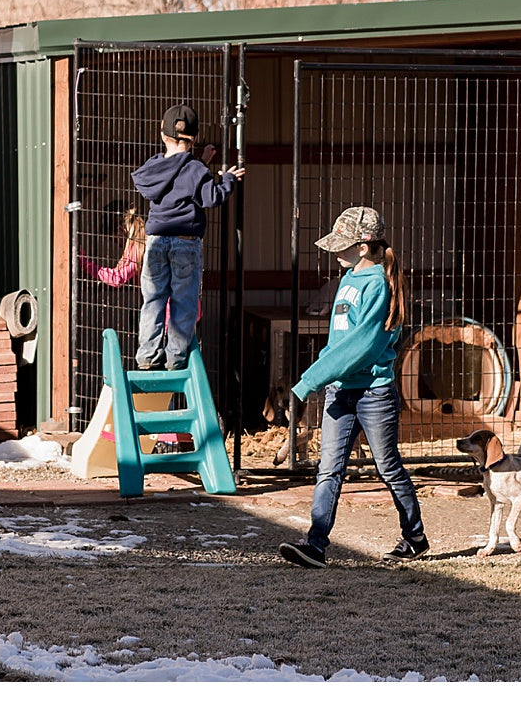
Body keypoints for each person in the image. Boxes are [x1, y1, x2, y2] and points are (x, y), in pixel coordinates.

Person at [278, 206, 428, 568]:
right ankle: (315, 545)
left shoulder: (377, 283)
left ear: (363, 246)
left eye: (341, 245)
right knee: (328, 467)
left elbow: (361, 345)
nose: (334, 251)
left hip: (374, 393)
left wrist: (310, 379)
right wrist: (323, 377)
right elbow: (337, 342)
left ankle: (415, 537)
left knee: (388, 467)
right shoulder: (347, 280)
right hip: (340, 392)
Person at [131, 103, 244, 371]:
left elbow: (175, 177)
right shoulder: (195, 169)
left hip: (156, 242)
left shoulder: (154, 168)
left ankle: (148, 355)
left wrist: (200, 163)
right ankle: (176, 359)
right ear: (193, 138)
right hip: (185, 243)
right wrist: (226, 179)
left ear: (162, 134)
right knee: (183, 301)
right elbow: (210, 197)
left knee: (153, 299)